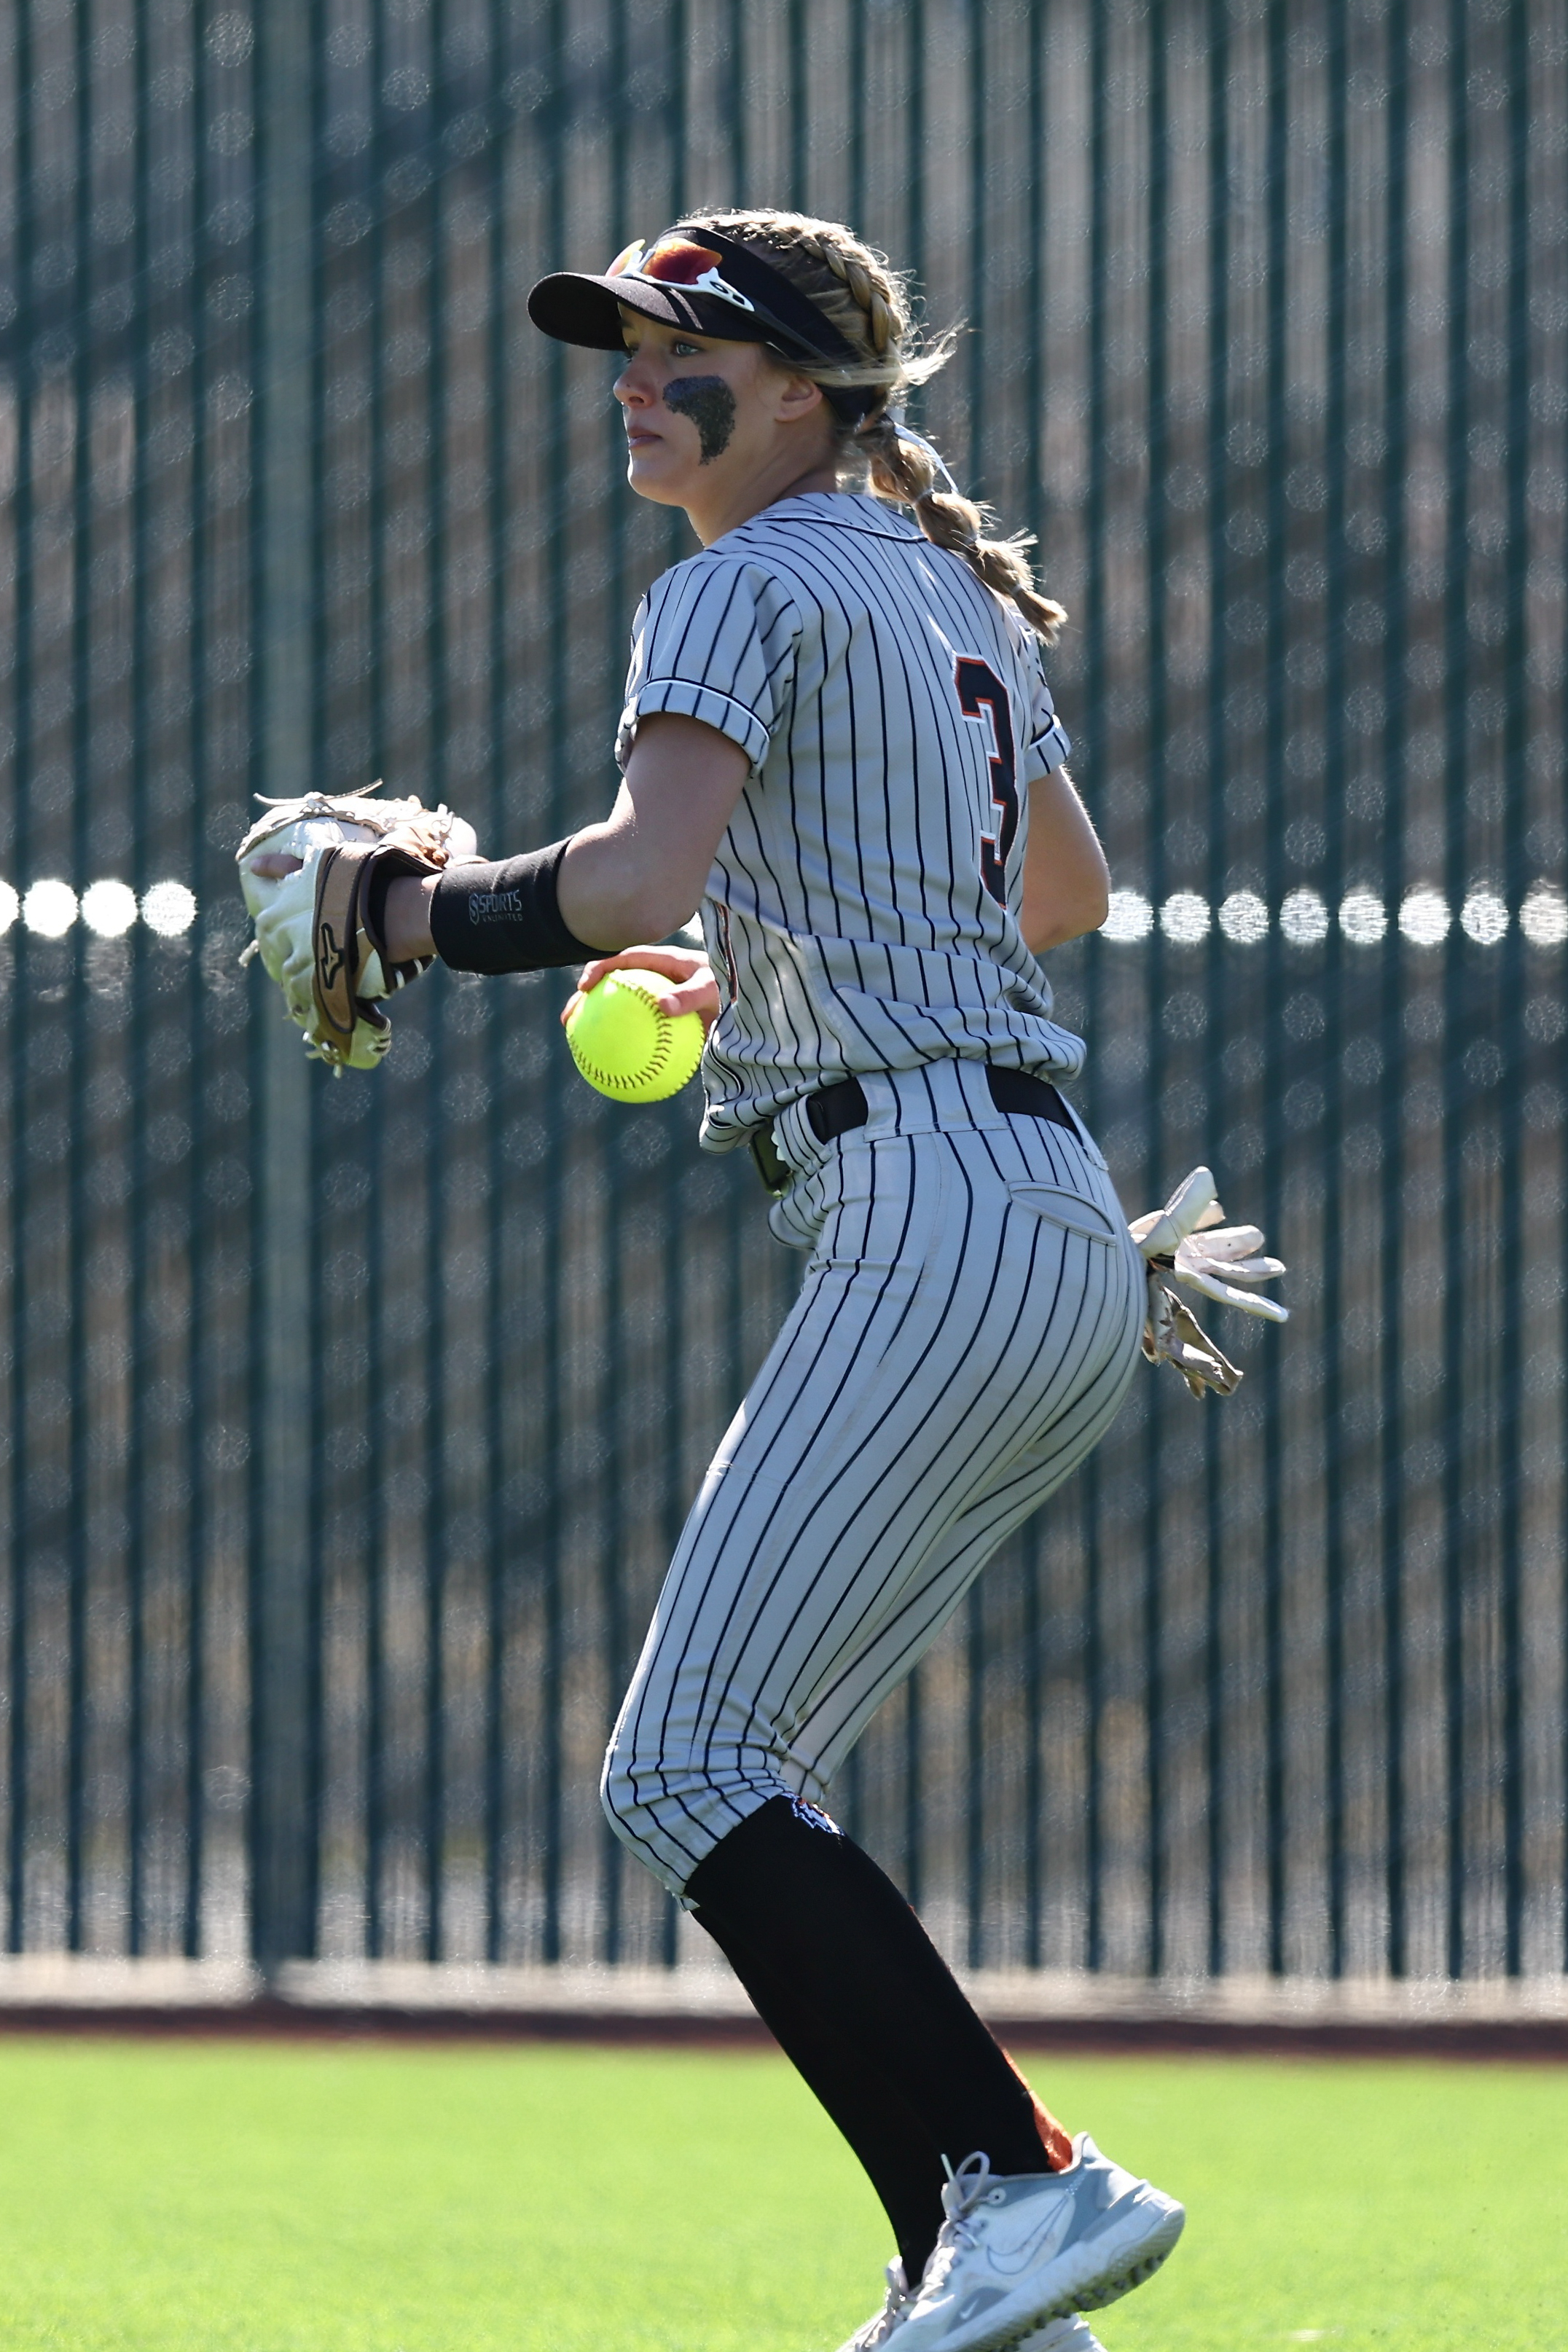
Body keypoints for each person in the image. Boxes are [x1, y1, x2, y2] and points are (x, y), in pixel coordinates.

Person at [380, 209, 1185, 2352]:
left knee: (679, 1767)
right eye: (621, 349)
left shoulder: (729, 583)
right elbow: (1065, 891)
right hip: (1055, 1225)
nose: (635, 380)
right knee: (748, 1769)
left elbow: (636, 869)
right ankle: (999, 2264)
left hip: (917, 1209)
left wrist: (412, 912)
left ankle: (1023, 2187)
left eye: (683, 350)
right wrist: (779, 966)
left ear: (810, 392)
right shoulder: (941, 590)